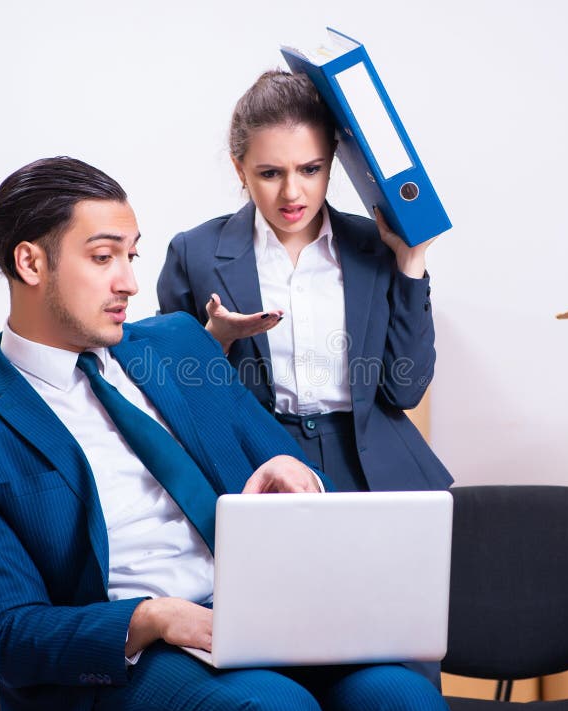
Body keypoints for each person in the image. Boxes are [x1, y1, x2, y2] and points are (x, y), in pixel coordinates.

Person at [0, 157, 449, 711]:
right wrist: (153, 617)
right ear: (30, 262)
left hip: (262, 614)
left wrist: (293, 480)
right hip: (136, 656)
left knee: (403, 696)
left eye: (131, 255)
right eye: (102, 257)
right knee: (273, 708)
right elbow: (9, 634)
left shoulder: (179, 345)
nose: (130, 284)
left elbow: (297, 476)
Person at [157, 71, 452, 505]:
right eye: (270, 173)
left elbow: (404, 390)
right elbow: (174, 400)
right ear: (240, 169)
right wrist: (212, 342)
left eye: (310, 169)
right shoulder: (194, 254)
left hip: (372, 469)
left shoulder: (375, 247)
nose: (292, 193)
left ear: (333, 158)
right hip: (258, 464)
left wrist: (411, 263)